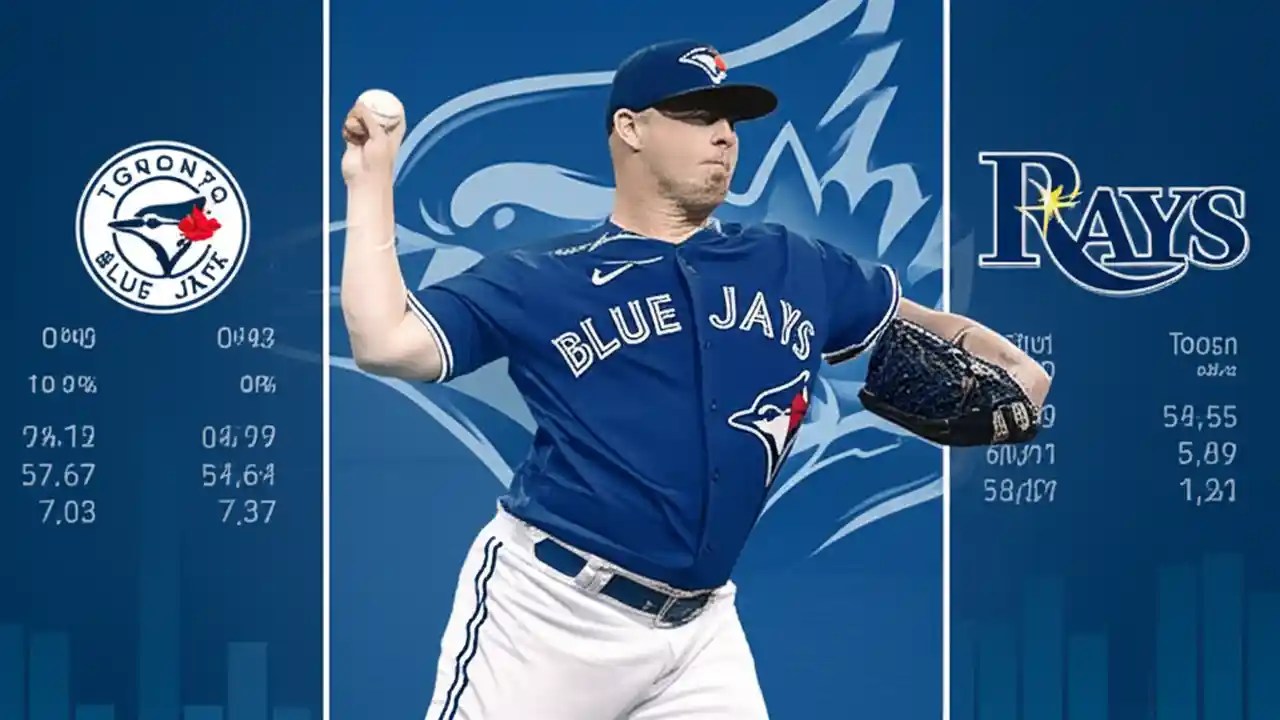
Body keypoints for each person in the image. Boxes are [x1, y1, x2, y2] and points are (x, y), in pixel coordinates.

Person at [340, 39, 1050, 720]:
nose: (724, 135)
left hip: (701, 629)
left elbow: (919, 323)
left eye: (731, 120)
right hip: (550, 613)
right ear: (630, 128)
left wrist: (1017, 367)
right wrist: (370, 180)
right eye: (697, 115)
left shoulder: (792, 264)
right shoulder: (542, 278)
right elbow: (386, 341)